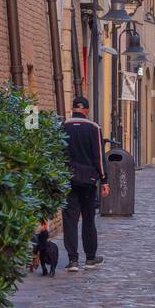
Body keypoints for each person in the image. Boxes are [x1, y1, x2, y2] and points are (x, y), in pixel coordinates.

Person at [61, 96, 109, 273]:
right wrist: (104, 180)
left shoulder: (63, 126)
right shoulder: (93, 128)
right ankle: (90, 258)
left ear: (72, 109)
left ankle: (73, 260)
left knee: (69, 220)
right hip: (88, 181)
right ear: (86, 111)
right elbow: (99, 156)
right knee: (88, 219)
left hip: (68, 179)